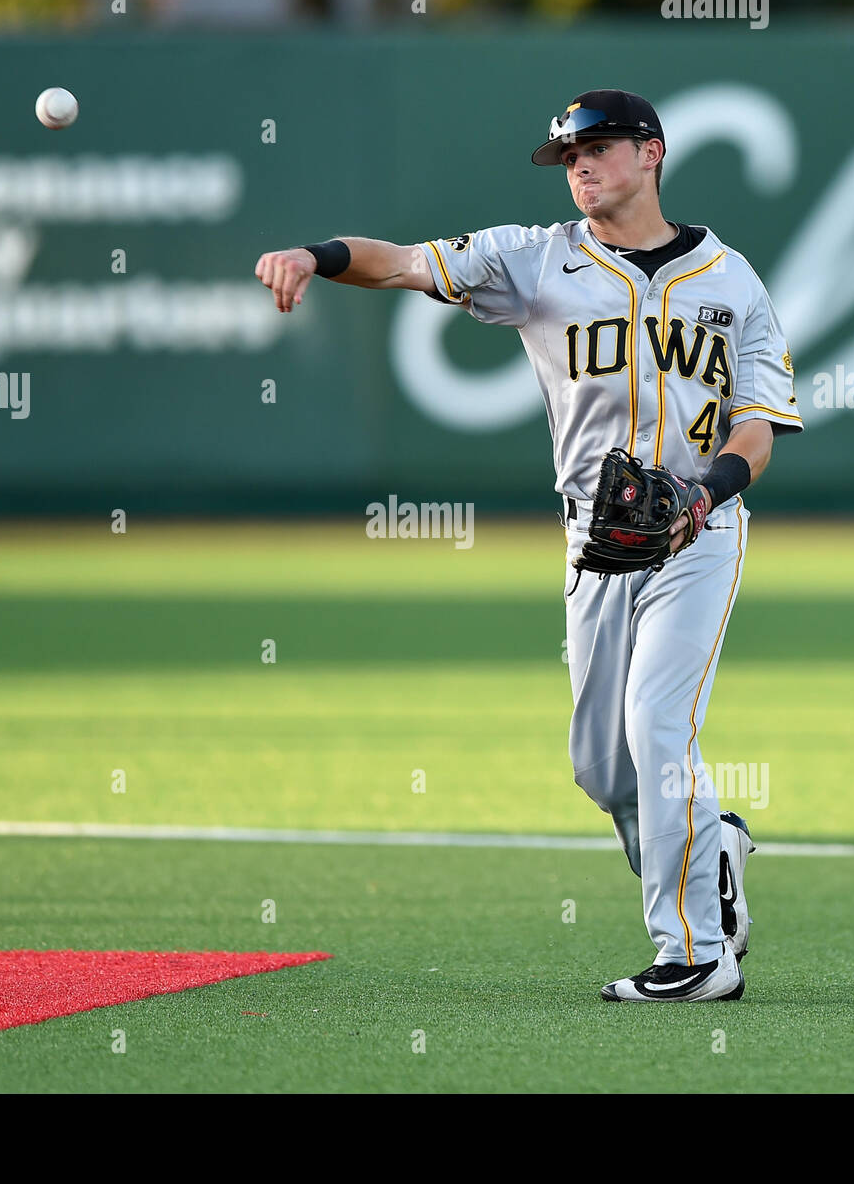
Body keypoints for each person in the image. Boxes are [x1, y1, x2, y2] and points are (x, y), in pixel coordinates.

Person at [255, 89, 803, 1002]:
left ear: (652, 152)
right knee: (602, 765)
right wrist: (313, 255)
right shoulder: (537, 260)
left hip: (698, 535)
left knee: (658, 724)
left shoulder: (732, 281)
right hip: (598, 539)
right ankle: (716, 850)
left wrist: (706, 494)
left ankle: (697, 952)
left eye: (597, 147)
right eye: (568, 155)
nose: (581, 165)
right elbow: (400, 265)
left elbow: (758, 430)